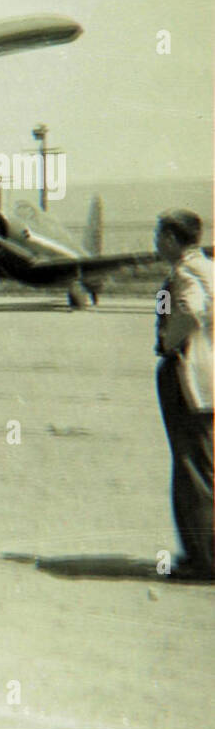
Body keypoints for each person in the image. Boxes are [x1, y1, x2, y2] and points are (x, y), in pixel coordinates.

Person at [154, 209, 213, 581]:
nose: (156, 242)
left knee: (192, 468)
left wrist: (167, 341)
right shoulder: (209, 267)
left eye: (159, 235)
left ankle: (204, 560)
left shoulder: (184, 273)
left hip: (186, 373)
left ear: (174, 240)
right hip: (208, 375)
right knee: (204, 463)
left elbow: (190, 310)